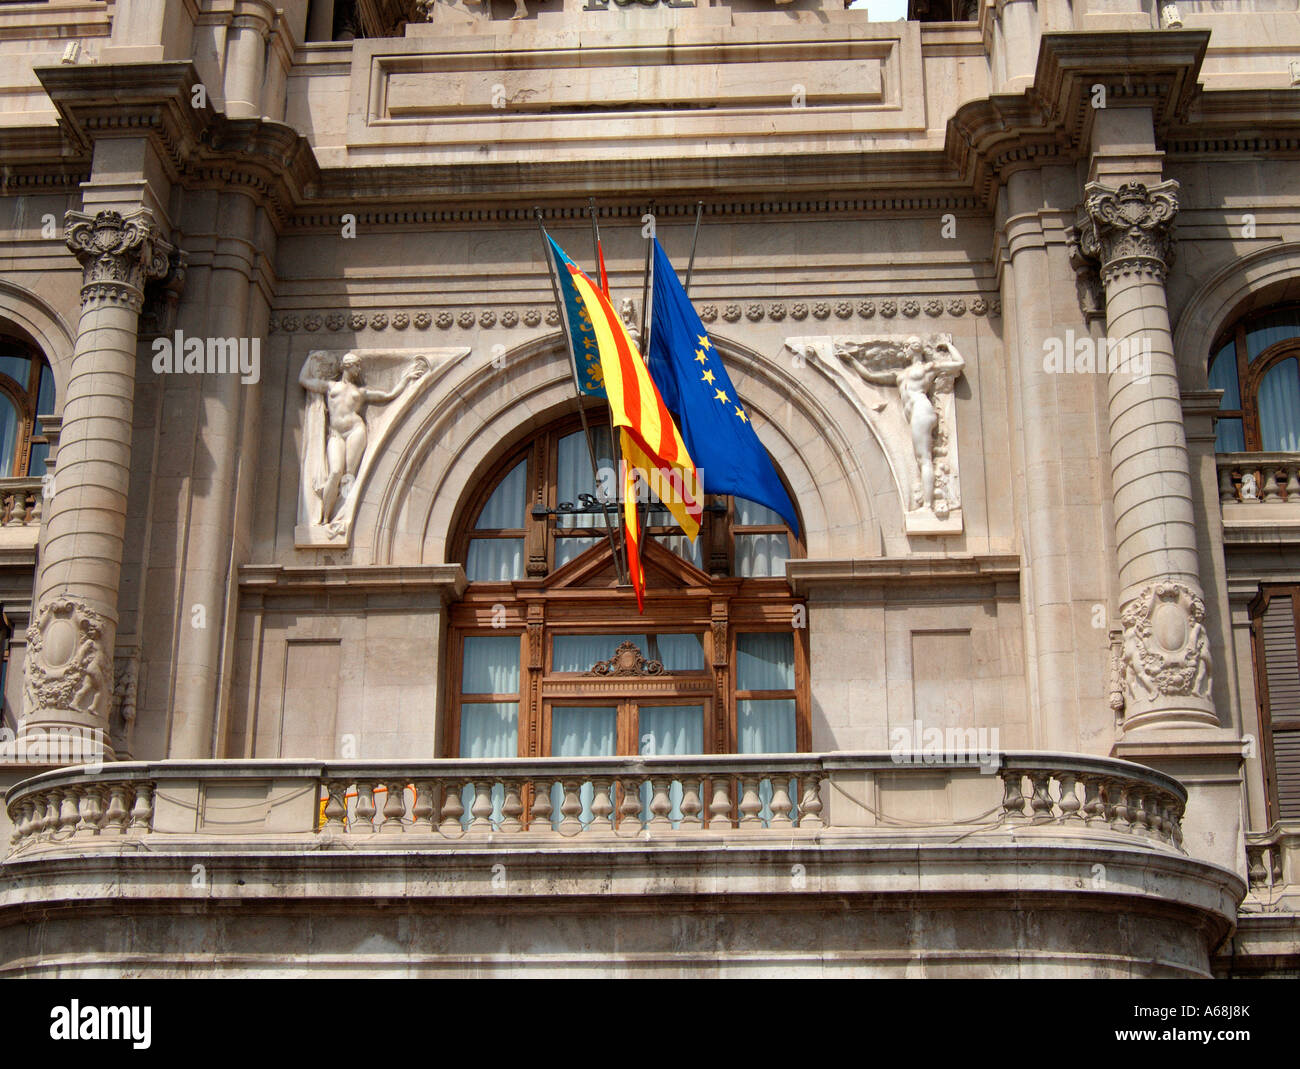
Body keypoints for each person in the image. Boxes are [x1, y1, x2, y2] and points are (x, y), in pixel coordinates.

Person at [299, 352, 427, 526]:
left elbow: (389, 395)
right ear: (347, 366)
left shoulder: (360, 392)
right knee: (336, 472)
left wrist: (407, 378)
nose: (359, 369)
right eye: (357, 365)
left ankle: (343, 515)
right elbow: (304, 381)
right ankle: (325, 517)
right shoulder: (331, 387)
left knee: (349, 476)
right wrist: (310, 359)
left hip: (355, 431)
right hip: (336, 434)